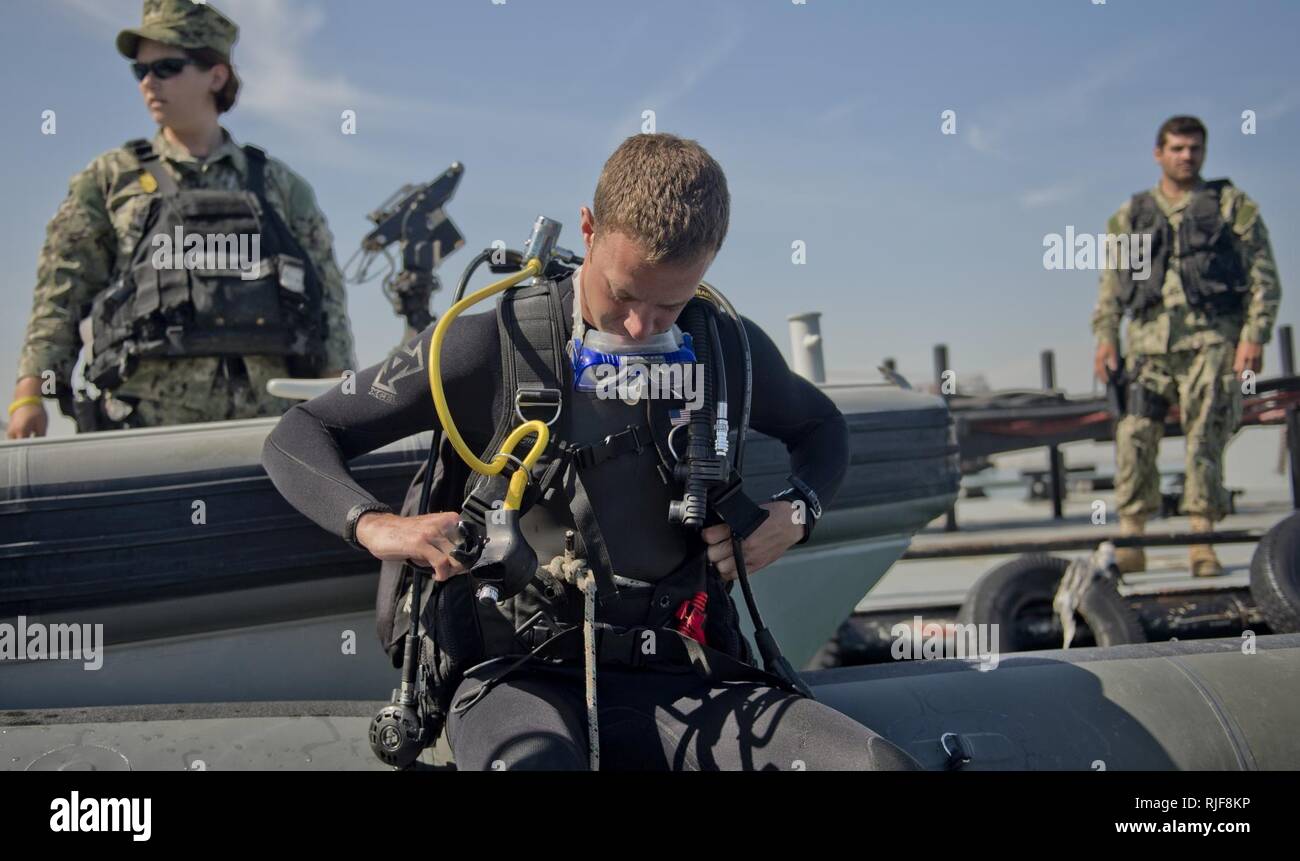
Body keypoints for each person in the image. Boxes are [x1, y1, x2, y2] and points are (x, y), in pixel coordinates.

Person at [262, 133, 919, 771]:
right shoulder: (493, 344)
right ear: (587, 228)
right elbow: (300, 435)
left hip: (687, 671)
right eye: (624, 294)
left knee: (875, 763)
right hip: (519, 681)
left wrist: (795, 514)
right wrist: (377, 525)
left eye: (670, 304)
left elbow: (823, 428)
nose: (640, 327)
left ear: (710, 262)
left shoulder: (724, 348)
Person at [7, 0, 355, 439]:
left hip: (268, 433)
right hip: (140, 435)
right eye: (141, 71)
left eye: (167, 67)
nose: (149, 82)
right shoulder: (109, 180)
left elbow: (328, 305)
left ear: (216, 75)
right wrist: (29, 395)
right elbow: (60, 295)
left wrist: (344, 402)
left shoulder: (279, 187)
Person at [1092, 115, 1281, 576]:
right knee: (1133, 433)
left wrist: (1254, 336)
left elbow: (1263, 276)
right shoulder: (1131, 215)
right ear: (1159, 153)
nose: (1186, 156)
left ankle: (1202, 540)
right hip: (1148, 346)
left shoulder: (1231, 205)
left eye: (1194, 148)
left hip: (1211, 340)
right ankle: (1132, 536)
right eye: (1176, 148)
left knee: (1205, 437)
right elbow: (1113, 284)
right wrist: (1105, 337)